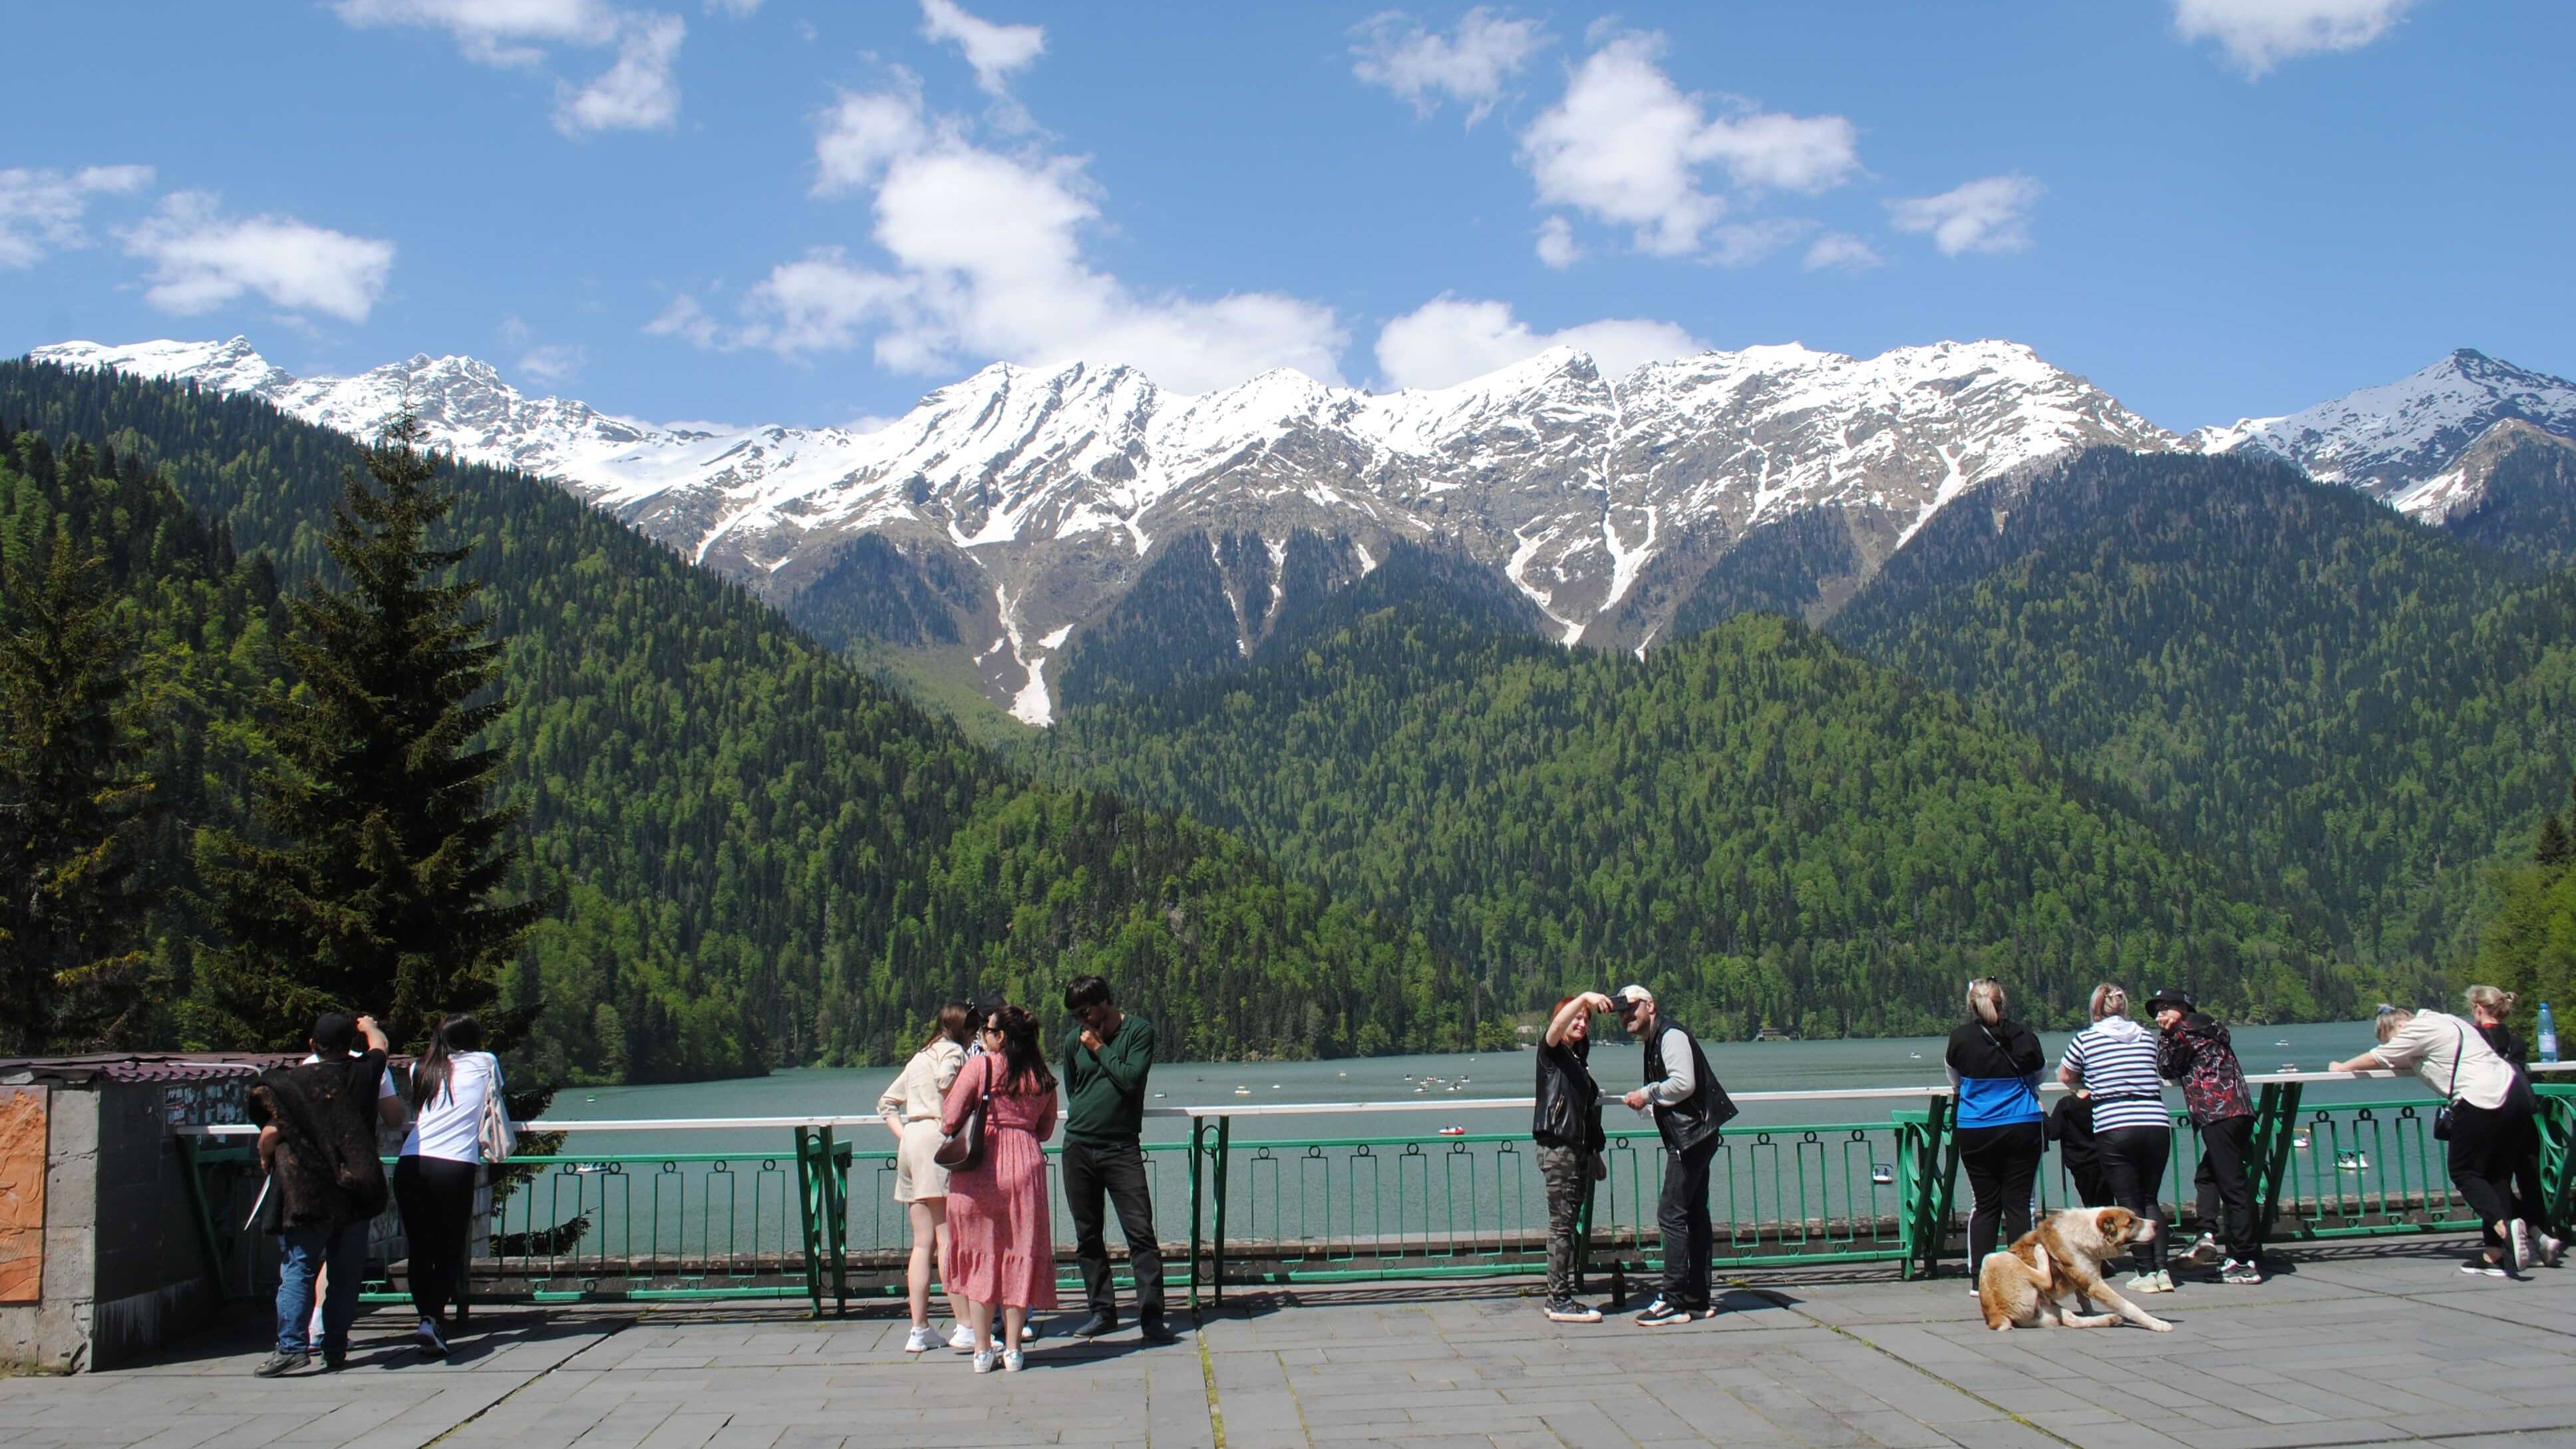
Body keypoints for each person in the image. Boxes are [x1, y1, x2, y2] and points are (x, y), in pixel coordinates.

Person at [2331, 1005, 2565, 1273]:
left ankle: (2506, 1228)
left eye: (2391, 1040)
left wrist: (2342, 1066)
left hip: (2481, 1097)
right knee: (2495, 1175)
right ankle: (2495, 1255)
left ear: (2398, 1028)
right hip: (2515, 1094)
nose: (2396, 1046)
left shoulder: (2416, 1029)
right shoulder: (2450, 1022)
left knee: (2464, 1171)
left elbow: (2379, 1057)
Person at [251, 1012, 395, 1376]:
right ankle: (336, 1347)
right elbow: (381, 1047)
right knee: (346, 1273)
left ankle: (292, 1347)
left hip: (306, 1191)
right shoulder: (363, 1073)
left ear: (312, 1045)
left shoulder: (292, 1083)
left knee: (299, 1267)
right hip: (355, 1190)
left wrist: (266, 1157)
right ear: (352, 1046)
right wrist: (370, 1027)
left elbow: (270, 1133)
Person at [941, 1004, 1060, 1372]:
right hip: (1025, 1163)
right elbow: (1045, 1130)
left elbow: (949, 1120)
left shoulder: (982, 1066)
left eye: (988, 1031)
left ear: (1001, 1037)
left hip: (983, 1167)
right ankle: (1014, 1350)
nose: (984, 1037)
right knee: (1019, 1253)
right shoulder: (1042, 1077)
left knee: (981, 1255)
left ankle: (981, 1350)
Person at [1611, 985, 1736, 1326]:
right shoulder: (1657, 1038)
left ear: (1649, 1005)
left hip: (1692, 1138)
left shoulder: (1670, 1036)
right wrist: (1649, 1101)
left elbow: (1684, 1084)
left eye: (1631, 1008)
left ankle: (1673, 1299)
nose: (1625, 1016)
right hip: (1696, 1135)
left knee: (1671, 1214)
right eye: (1621, 1011)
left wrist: (1647, 1093)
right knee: (1695, 1215)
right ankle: (1697, 1297)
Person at [1060, 975, 1174, 1344]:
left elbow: (1131, 1080)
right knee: (1088, 1235)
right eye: (1076, 1015)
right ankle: (1102, 1312)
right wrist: (1089, 1047)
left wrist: (1099, 1048)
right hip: (1078, 1146)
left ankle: (1152, 1318)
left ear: (1104, 1002)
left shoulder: (1138, 1032)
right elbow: (1074, 1090)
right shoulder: (1071, 1042)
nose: (1081, 1020)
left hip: (1121, 1148)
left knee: (1140, 1233)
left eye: (1085, 1011)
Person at [393, 1013, 502, 1359]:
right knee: (450, 1247)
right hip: (454, 1165)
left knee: (421, 1248)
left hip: (411, 1162)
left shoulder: (420, 1068)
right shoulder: (486, 1062)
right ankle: (433, 1318)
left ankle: (426, 1317)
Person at [2058, 985, 2174, 1293]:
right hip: (2155, 1120)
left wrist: (2087, 1085)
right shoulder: (2145, 1036)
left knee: (2128, 1202)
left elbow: (2065, 1075)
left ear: (2095, 1009)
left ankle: (2145, 1272)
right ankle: (2163, 1269)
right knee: (2150, 1198)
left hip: (2115, 1123)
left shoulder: (2086, 1039)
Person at [2150, 989, 2262, 1285]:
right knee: (2208, 1176)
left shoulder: (2181, 1033)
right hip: (2240, 1109)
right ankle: (2207, 1234)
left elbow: (2166, 1066)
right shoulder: (2210, 1026)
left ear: (2182, 1009)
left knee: (2232, 1185)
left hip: (2217, 1111)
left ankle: (2244, 1259)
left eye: (2165, 1009)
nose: (2160, 1016)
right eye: (2157, 1011)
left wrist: (2164, 1036)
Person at [881, 1001, 973, 1354]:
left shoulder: (919, 1056)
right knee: (948, 1239)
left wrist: (905, 1136)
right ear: (962, 1029)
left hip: (912, 1146)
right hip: (936, 1141)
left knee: (922, 1244)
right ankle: (965, 1324)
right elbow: (948, 1081)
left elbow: (887, 1103)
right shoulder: (953, 1052)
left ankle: (919, 1329)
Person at [1946, 979, 2045, 1285]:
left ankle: (1980, 1278)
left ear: (1972, 1004)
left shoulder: (1960, 1039)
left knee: (1985, 1204)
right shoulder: (2024, 1036)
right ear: (2003, 1002)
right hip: (2022, 1125)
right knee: (2020, 1205)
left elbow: (1956, 1080)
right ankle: (2023, 1274)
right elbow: (2039, 1075)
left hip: (1976, 1127)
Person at [1535, 992, 1611, 1323]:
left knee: (1567, 1223)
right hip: (1559, 1149)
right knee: (1562, 1225)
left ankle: (1560, 1294)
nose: (1581, 1022)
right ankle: (1558, 1298)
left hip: (1575, 1151)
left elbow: (1585, 1113)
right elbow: (1554, 1028)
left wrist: (1594, 1151)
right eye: (1575, 1017)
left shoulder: (1577, 1061)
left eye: (1586, 1019)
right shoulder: (1551, 1053)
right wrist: (1584, 997)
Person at [2466, 985, 2553, 1265]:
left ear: (2479, 1008)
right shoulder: (2516, 1040)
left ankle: (2500, 1247)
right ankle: (2542, 1235)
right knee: (2529, 1179)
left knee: (2493, 1179)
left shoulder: (2475, 1038)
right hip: (2523, 1113)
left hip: (2492, 1112)